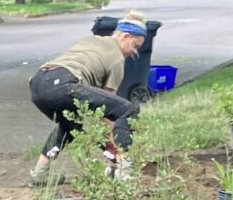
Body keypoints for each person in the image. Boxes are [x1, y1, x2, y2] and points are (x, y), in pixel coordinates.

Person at [28, 15, 146, 178]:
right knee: (127, 110)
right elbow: (107, 114)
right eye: (135, 46)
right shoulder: (117, 59)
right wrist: (114, 145)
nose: (134, 53)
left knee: (69, 125)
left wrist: (105, 143)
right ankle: (123, 171)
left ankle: (40, 173)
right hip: (64, 84)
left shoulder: (92, 40)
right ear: (125, 37)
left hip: (38, 83)